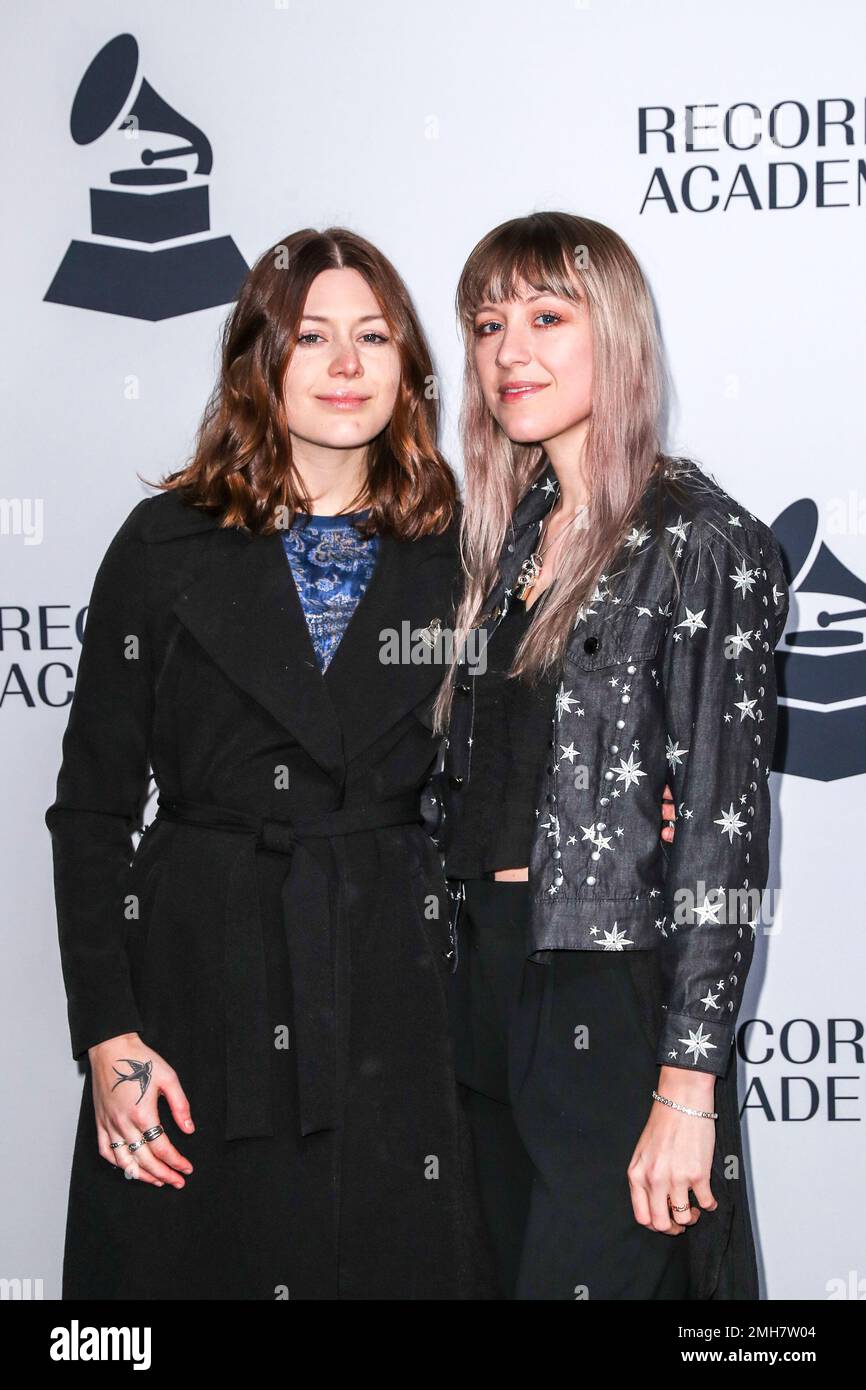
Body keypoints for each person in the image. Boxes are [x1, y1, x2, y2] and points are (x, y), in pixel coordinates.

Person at [45, 227, 495, 1300]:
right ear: (260, 362)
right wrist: (108, 1036)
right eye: (312, 337)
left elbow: (505, 771)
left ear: (407, 365)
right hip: (200, 984)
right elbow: (93, 810)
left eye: (373, 336)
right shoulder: (162, 544)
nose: (346, 367)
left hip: (393, 985)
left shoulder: (463, 553)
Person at [427, 211, 789, 1300]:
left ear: (617, 335)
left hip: (607, 990)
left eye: (545, 316)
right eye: (487, 324)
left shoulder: (700, 540)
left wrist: (687, 1086)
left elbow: (723, 841)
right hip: (481, 980)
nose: (508, 351)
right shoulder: (502, 539)